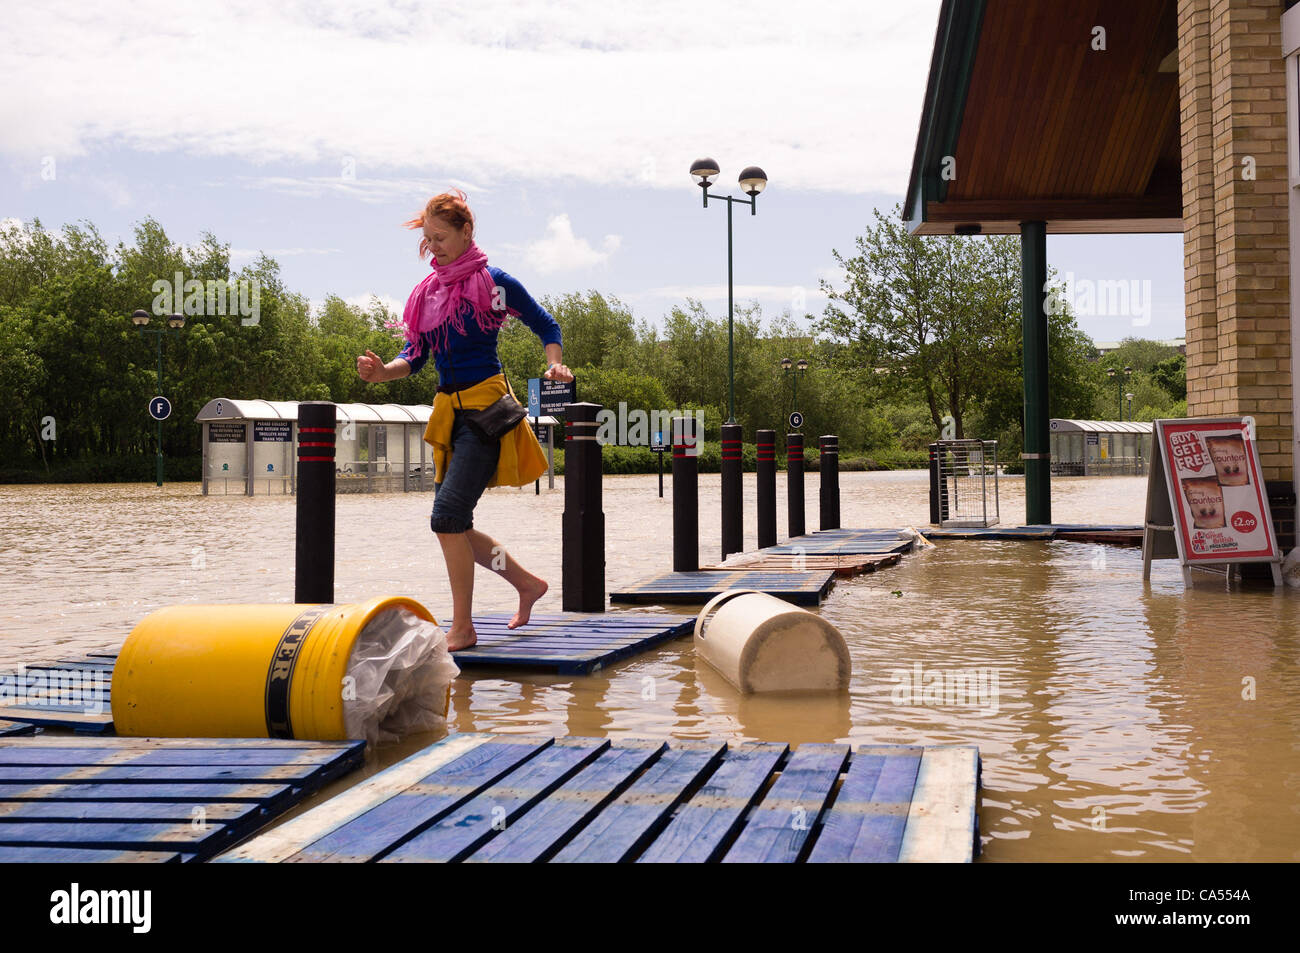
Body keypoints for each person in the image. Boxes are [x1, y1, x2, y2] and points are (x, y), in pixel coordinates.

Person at [357, 189, 573, 651]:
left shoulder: (495, 282)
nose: (432, 246)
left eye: (440, 237)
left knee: (447, 517)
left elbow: (545, 324)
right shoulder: (426, 295)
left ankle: (462, 627)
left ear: (466, 232)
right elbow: (412, 356)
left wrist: (554, 364)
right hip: (448, 415)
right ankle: (527, 584)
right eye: (428, 239)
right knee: (452, 521)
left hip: (487, 411)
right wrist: (382, 375)